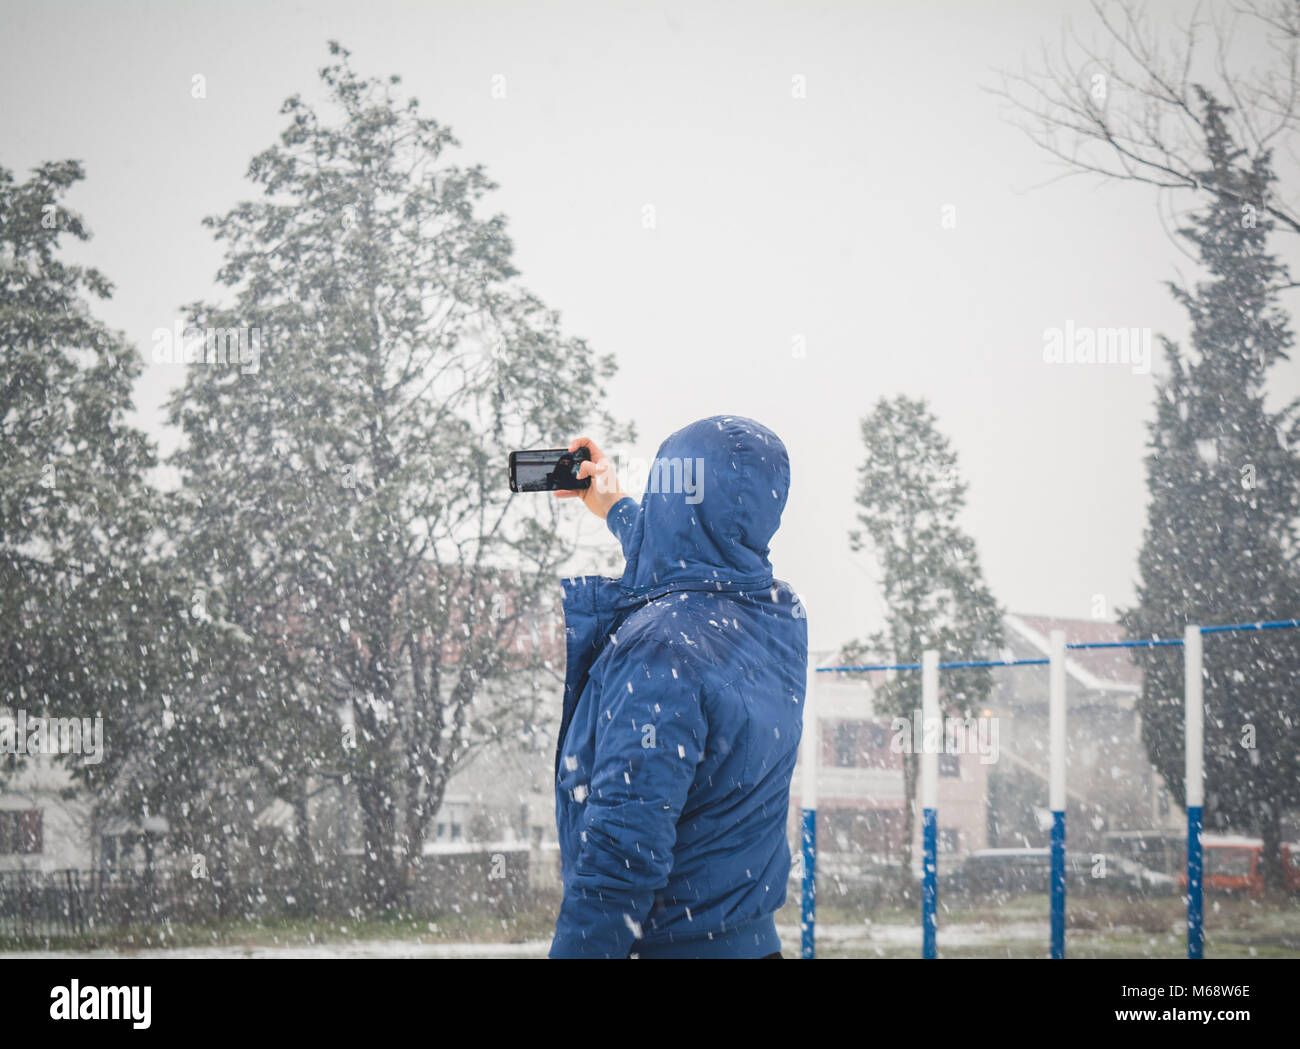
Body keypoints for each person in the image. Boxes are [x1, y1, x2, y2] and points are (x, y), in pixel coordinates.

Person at [548, 415, 807, 958]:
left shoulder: (661, 648)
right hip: (754, 943)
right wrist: (615, 506)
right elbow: (703, 560)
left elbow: (623, 850)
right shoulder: (779, 615)